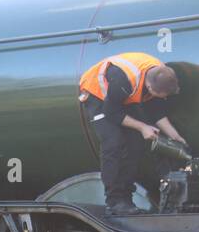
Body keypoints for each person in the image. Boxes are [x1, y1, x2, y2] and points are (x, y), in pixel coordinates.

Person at [78, 53, 187, 215]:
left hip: (121, 98)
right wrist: (143, 127)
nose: (165, 98)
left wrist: (175, 136)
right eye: (163, 95)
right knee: (113, 143)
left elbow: (156, 111)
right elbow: (112, 113)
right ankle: (114, 202)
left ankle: (126, 199)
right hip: (98, 96)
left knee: (135, 144)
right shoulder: (124, 81)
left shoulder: (159, 73)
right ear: (150, 88)